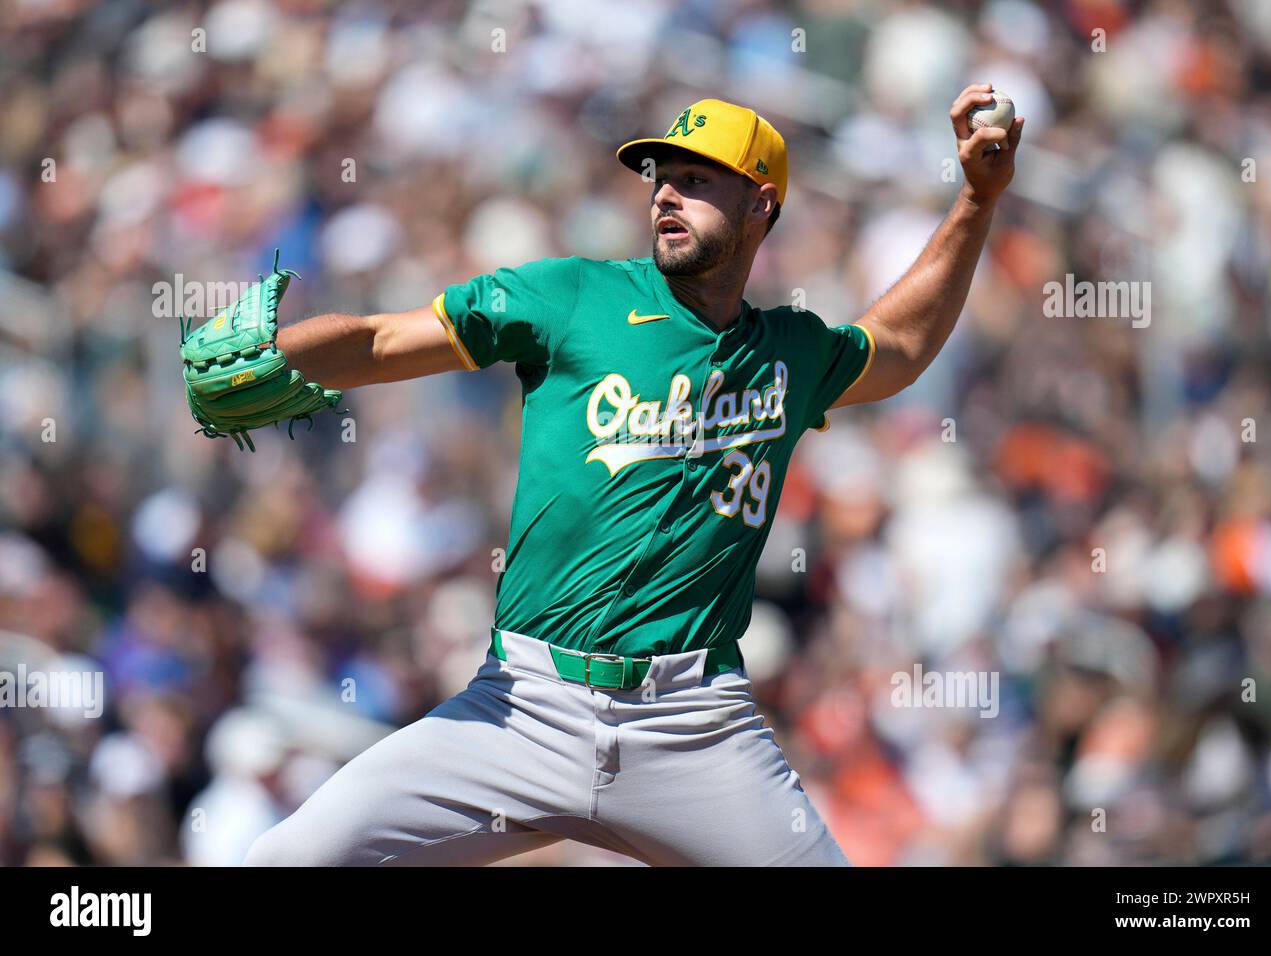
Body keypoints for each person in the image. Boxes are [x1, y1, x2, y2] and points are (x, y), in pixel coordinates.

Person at [237, 87, 1023, 866]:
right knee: (286, 861)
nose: (667, 194)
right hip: (522, 706)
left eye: (698, 178)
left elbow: (903, 345)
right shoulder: (574, 296)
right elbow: (380, 341)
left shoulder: (789, 353)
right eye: (661, 176)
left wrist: (976, 202)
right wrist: (272, 355)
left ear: (762, 205)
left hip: (693, 726)